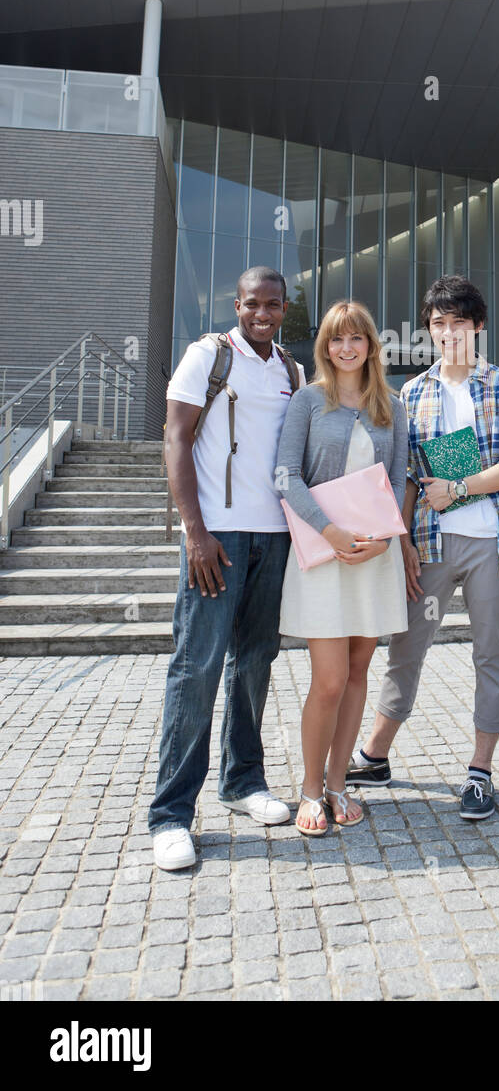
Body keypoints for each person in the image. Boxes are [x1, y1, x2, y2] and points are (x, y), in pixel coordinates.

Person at [346, 275, 499, 820]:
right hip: (430, 541)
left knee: (490, 652)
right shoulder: (414, 392)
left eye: (459, 323)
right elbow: (406, 473)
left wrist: (459, 487)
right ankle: (376, 754)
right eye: (438, 324)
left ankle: (480, 771)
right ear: (428, 329)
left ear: (478, 326)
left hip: (491, 543)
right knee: (405, 646)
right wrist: (402, 538)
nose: (448, 333)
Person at [149, 267, 304, 871]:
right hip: (217, 538)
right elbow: (176, 439)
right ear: (235, 304)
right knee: (196, 667)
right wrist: (195, 532)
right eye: (251, 304)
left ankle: (242, 782)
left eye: (272, 305)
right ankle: (170, 815)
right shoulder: (206, 357)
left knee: (256, 662)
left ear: (285, 308)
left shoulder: (291, 370)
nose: (261, 313)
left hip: (275, 537)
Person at [275, 300, 409, 836]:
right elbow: (285, 475)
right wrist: (329, 531)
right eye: (336, 339)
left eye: (356, 338)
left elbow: (398, 480)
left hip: (375, 555)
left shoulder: (391, 407)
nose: (346, 348)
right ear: (325, 347)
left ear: (371, 345)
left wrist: (384, 538)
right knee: (328, 680)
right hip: (322, 551)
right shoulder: (308, 401)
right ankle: (309, 789)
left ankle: (338, 785)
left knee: (358, 675)